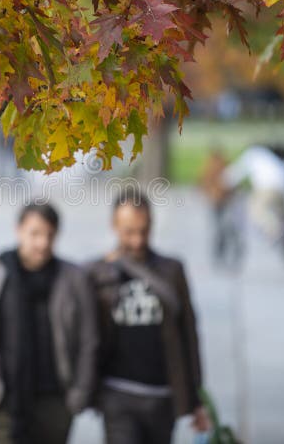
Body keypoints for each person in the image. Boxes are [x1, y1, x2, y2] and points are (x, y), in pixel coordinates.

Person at [0, 202, 98, 444]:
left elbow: (89, 340)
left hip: (56, 401)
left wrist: (80, 392)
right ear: (18, 230)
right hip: (1, 399)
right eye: (35, 234)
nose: (42, 243)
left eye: (49, 235)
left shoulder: (73, 278)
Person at [87, 187, 210, 444]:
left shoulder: (171, 270)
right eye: (129, 232)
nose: (137, 240)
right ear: (114, 226)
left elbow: (189, 334)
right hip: (117, 393)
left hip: (162, 396)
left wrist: (196, 398)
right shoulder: (98, 273)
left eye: (144, 230)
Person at [222, 144, 284, 241]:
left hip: (268, 186)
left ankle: (275, 230)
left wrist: (223, 179)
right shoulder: (266, 155)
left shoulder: (251, 155)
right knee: (281, 211)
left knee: (255, 210)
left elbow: (235, 174)